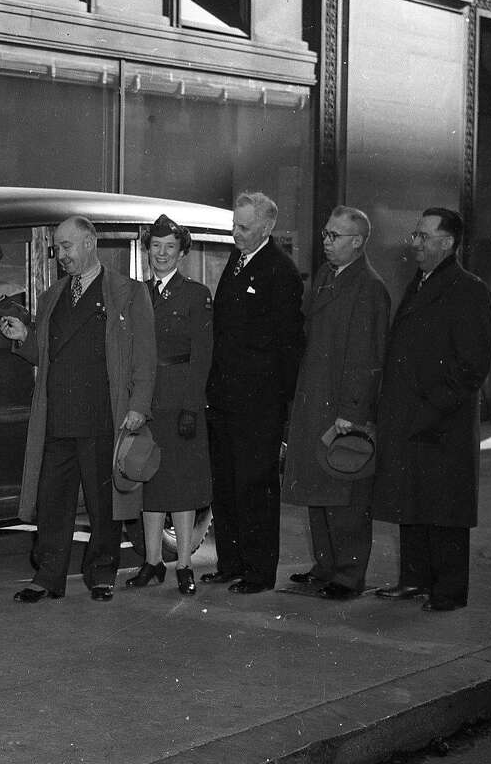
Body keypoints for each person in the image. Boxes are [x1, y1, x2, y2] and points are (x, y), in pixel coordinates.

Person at [0, 216, 155, 602]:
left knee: (104, 504)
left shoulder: (128, 292)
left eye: (66, 247)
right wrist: (24, 338)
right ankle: (47, 576)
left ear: (90, 243)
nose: (61, 255)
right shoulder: (53, 296)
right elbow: (47, 354)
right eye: (57, 249)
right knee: (52, 501)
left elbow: (145, 358)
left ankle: (102, 574)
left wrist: (138, 406)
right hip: (58, 416)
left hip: (103, 415)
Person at [372, 208, 491, 612]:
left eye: (424, 237)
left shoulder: (468, 289)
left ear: (449, 243)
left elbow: (472, 365)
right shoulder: (421, 283)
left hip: (443, 421)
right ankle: (414, 580)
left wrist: (432, 407)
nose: (416, 244)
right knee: (412, 501)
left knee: (445, 509)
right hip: (412, 415)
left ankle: (448, 591)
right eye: (416, 235)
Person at [282, 206, 390, 600]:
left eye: (334, 236)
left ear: (357, 242)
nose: (326, 242)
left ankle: (348, 575)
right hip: (316, 400)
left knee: (346, 493)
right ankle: (326, 565)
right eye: (326, 234)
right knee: (319, 488)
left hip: (341, 409)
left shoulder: (369, 287)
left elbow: (368, 356)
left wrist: (352, 412)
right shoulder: (329, 277)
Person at [205, 191, 304, 594]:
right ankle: (230, 563)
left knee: (255, 487)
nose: (236, 233)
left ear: (267, 227)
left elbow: (288, 344)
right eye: (234, 225)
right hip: (225, 398)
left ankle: (259, 572)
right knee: (226, 484)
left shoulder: (280, 271)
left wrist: (279, 404)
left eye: (244, 227)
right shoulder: (237, 260)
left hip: (259, 403)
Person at [126, 214, 213, 595]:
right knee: (148, 481)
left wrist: (192, 407)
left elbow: (202, 356)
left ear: (182, 253)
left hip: (179, 401)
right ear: (147, 250)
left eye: (170, 247)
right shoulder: (136, 293)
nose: (162, 254)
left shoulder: (195, 294)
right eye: (156, 246)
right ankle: (152, 561)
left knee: (180, 484)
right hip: (145, 401)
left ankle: (184, 564)